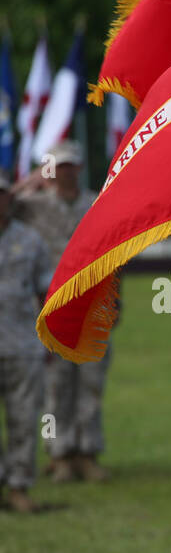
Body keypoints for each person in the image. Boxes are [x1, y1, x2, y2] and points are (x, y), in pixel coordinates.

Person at [12, 140, 112, 482]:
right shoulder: (33, 206)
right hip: (51, 308)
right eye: (58, 166)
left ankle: (87, 451)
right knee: (55, 386)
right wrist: (29, 181)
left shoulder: (98, 203)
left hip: (91, 307)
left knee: (90, 383)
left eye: (70, 165)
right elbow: (3, 203)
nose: (65, 172)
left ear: (80, 168)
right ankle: (58, 454)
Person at [0, 170, 55, 513]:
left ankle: (19, 486)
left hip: (22, 344)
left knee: (22, 418)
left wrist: (49, 338)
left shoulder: (31, 240)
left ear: (10, 198)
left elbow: (44, 291)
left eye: (2, 194)